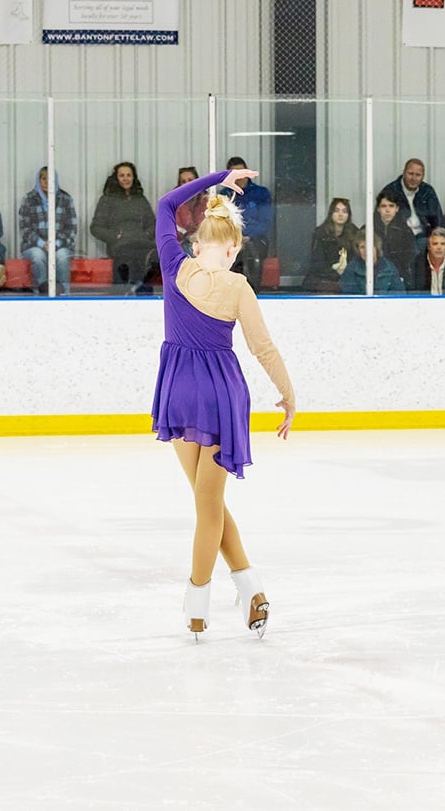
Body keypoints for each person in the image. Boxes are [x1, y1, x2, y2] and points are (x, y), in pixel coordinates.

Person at [151, 167, 295, 640]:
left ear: (196, 244)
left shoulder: (176, 267)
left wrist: (218, 177)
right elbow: (264, 349)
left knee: (205, 500)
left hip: (178, 390)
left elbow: (166, 206)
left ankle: (245, 591)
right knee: (210, 503)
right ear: (233, 249)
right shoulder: (238, 287)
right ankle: (200, 599)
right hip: (219, 396)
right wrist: (288, 395)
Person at [89, 161, 157, 286]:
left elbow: (152, 223)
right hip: (120, 245)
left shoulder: (140, 199)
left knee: (157, 258)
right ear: (116, 178)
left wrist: (146, 234)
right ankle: (123, 294)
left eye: (129, 175)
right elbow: (96, 228)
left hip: (142, 243)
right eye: (122, 175)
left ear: (133, 177)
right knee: (127, 262)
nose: (126, 179)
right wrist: (115, 236)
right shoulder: (107, 200)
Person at [19, 166, 77, 295]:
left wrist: (56, 244)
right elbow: (25, 228)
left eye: (50, 179)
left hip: (61, 245)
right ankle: (41, 294)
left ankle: (64, 294)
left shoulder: (66, 199)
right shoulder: (29, 199)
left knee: (62, 257)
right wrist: (41, 244)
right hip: (34, 246)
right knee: (38, 256)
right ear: (38, 181)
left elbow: (71, 228)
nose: (46, 182)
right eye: (43, 179)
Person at [223, 157, 273, 292]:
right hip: (232, 240)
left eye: (241, 172)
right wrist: (236, 237)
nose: (239, 177)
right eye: (235, 173)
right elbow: (222, 223)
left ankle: (253, 290)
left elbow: (266, 222)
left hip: (256, 239)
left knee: (252, 255)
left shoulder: (261, 193)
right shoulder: (224, 195)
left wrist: (249, 236)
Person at [379, 158, 444, 253]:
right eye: (410, 173)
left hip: (424, 236)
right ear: (404, 173)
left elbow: (438, 218)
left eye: (418, 175)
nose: (413, 178)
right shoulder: (391, 190)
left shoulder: (427, 191)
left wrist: (439, 237)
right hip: (400, 238)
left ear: (423, 176)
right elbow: (380, 219)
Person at [302, 197, 358, 294]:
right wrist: (335, 272)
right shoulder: (320, 233)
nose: (340, 214)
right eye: (337, 211)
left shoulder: (354, 232)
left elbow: (356, 260)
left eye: (344, 211)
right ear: (331, 213)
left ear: (348, 215)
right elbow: (317, 263)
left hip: (347, 278)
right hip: (323, 277)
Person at [339, 230, 405, 295]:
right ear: (358, 250)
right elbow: (348, 294)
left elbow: (399, 294)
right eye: (362, 247)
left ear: (376, 247)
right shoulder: (352, 268)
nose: (367, 250)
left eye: (370, 246)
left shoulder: (388, 267)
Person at [408, 227, 445, 294]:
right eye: (435, 244)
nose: (439, 248)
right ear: (429, 246)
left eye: (442, 244)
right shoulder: (416, 265)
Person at [373, 189, 417, 279]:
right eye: (383, 206)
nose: (387, 210)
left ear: (397, 208)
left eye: (391, 206)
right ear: (378, 209)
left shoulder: (405, 231)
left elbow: (410, 259)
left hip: (398, 275)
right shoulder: (369, 228)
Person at [174, 166, 208, 255]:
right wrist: (188, 237)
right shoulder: (175, 203)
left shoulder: (207, 201)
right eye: (183, 181)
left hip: (206, 243)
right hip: (183, 245)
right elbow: (175, 229)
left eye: (190, 180)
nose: (187, 184)